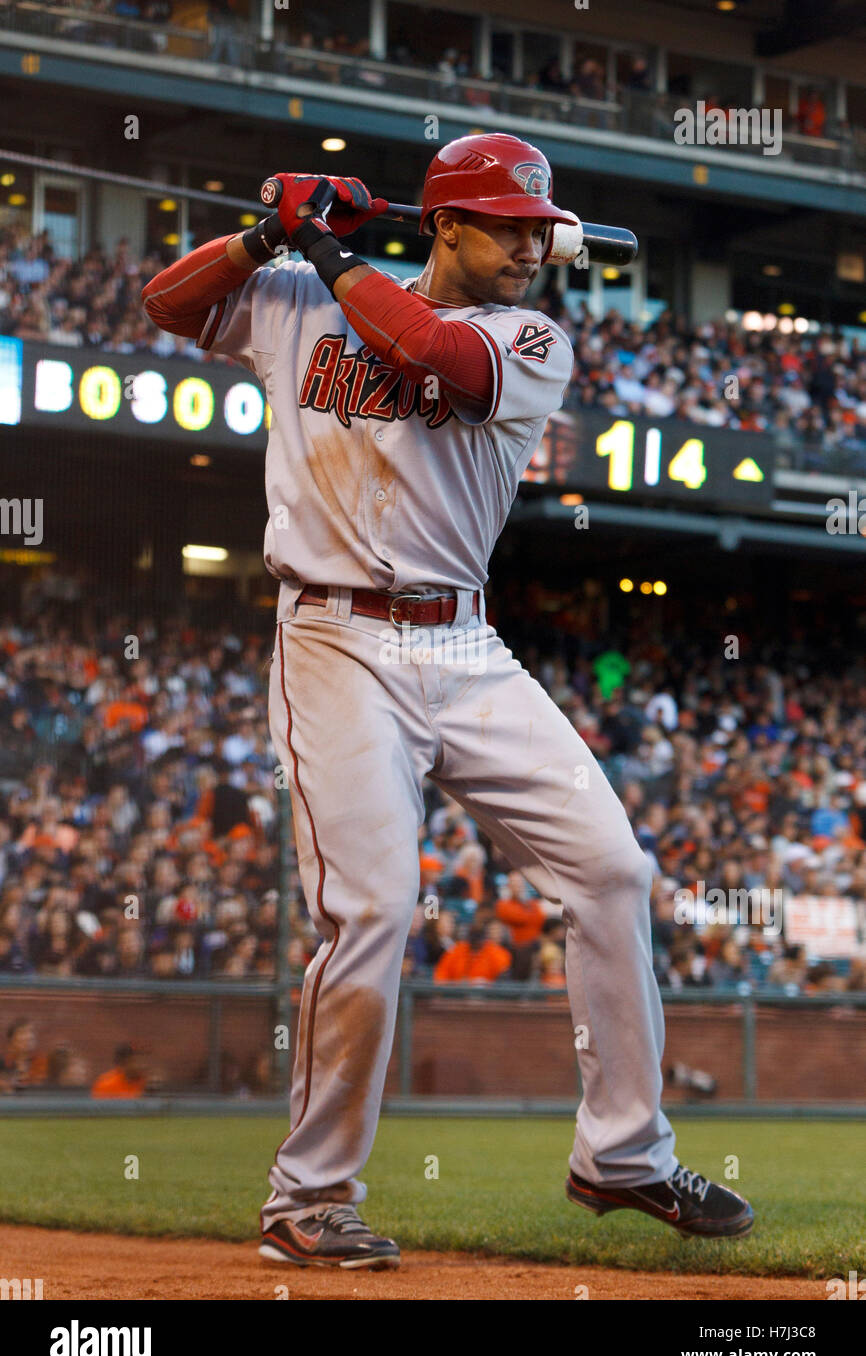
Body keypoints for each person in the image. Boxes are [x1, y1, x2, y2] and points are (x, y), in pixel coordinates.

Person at [140, 131, 754, 1271]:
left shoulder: (526, 339)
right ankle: (308, 1194)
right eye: (507, 226)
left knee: (612, 870)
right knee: (371, 910)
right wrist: (260, 235)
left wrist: (321, 248)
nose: (530, 245)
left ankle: (620, 1155)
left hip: (463, 641)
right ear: (445, 226)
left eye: (537, 226)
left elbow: (432, 359)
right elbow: (166, 306)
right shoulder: (295, 294)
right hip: (330, 637)